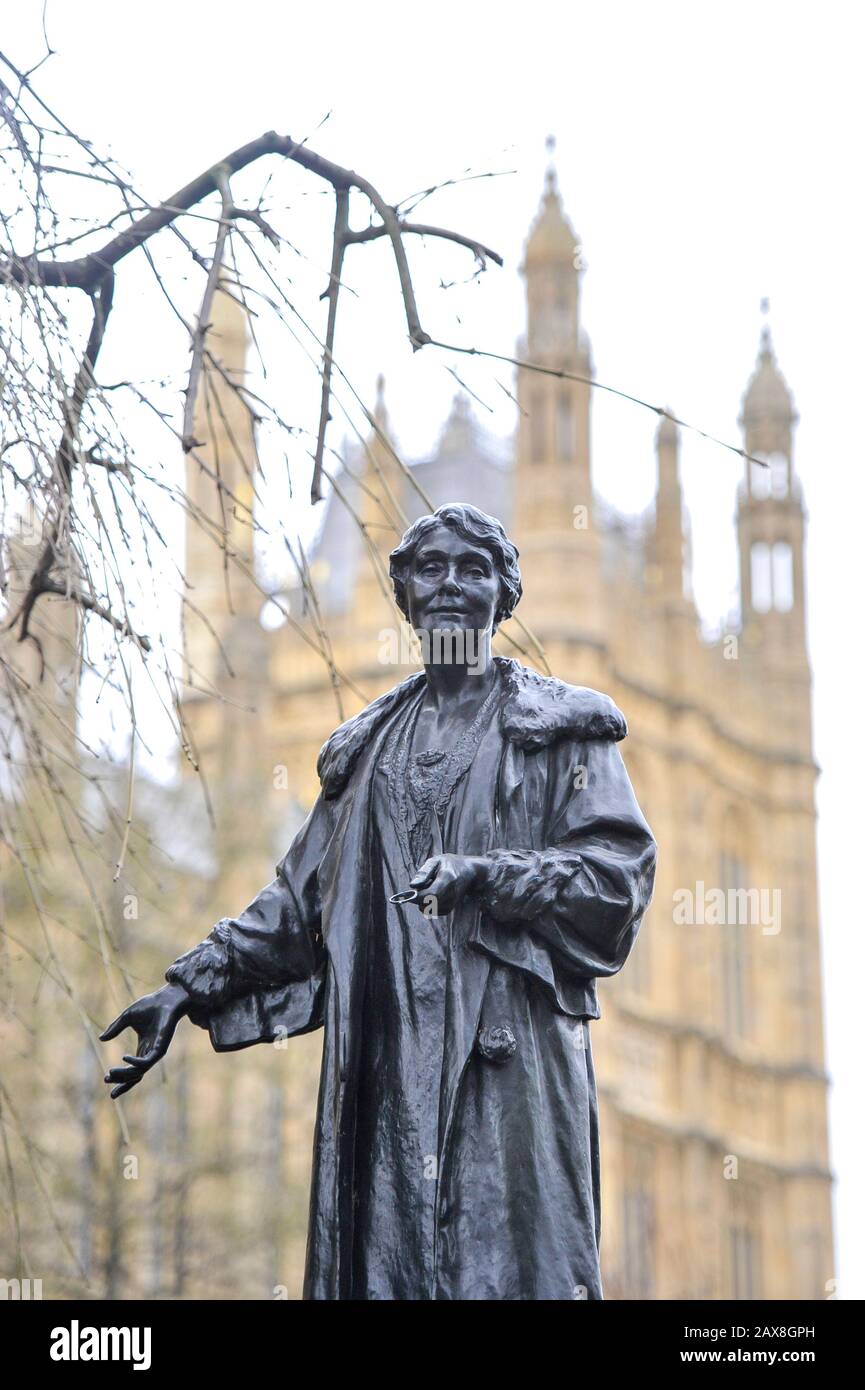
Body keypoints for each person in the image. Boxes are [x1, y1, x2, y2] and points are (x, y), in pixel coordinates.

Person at [102, 502, 656, 1300]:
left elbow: (615, 880)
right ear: (403, 595)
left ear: (505, 595)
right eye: (431, 569)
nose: (451, 587)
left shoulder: (562, 730)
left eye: (474, 570)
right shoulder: (367, 753)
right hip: (389, 1071)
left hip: (505, 1076)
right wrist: (186, 986)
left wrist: (489, 876)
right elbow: (296, 905)